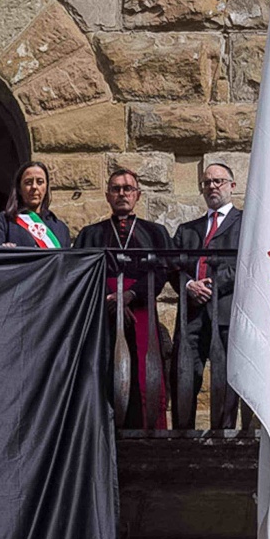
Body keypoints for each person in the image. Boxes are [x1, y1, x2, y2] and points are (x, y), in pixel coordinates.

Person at [74, 168, 173, 430]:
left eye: (128, 188)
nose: (122, 193)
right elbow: (79, 273)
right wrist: (108, 297)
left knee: (143, 375)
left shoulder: (155, 233)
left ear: (137, 195)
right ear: (107, 196)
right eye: (116, 189)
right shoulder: (90, 234)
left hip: (140, 311)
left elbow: (163, 269)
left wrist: (129, 295)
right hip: (101, 314)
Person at [172, 163, 243, 430]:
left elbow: (245, 264)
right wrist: (190, 284)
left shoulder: (246, 223)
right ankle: (182, 436)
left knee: (225, 379)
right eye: (207, 182)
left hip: (225, 312)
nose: (212, 186)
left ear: (232, 186)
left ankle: (223, 436)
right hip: (191, 315)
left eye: (219, 181)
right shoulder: (187, 230)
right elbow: (173, 268)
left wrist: (211, 285)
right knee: (184, 376)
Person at [0, 160, 72, 249]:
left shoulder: (60, 228)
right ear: (19, 189)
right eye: (28, 182)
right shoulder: (4, 221)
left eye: (40, 182)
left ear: (46, 187)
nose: (34, 187)